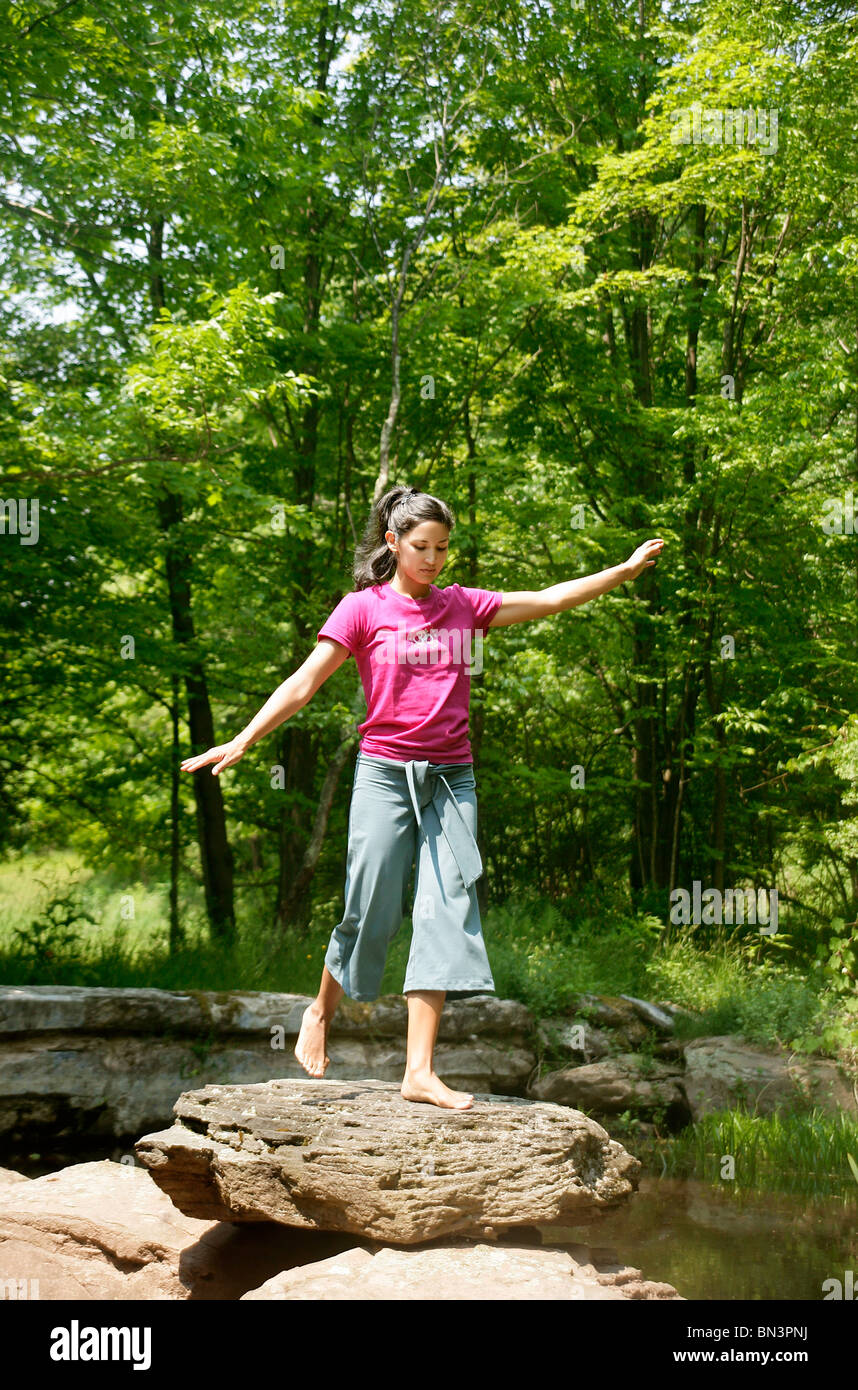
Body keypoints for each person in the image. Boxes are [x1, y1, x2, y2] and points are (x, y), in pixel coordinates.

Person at [181, 485, 663, 1110]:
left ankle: (419, 1071)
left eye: (441, 548)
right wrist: (242, 739)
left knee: (445, 909)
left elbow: (547, 599)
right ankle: (321, 1010)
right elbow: (304, 683)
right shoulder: (361, 609)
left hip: (451, 780)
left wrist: (621, 572)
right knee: (370, 903)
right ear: (393, 544)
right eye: (420, 548)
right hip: (383, 773)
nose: (433, 559)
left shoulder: (463, 606)